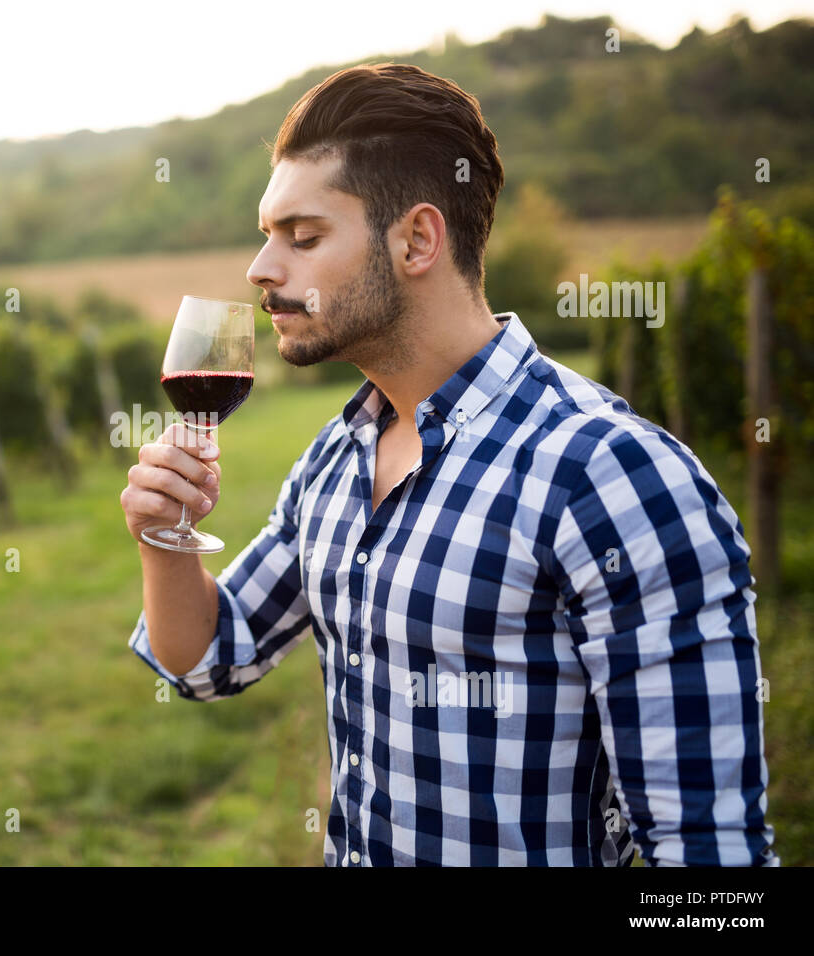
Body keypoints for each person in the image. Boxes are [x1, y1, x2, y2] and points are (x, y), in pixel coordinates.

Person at [118, 63, 778, 867]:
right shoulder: (336, 460)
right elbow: (208, 659)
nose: (261, 268)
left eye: (304, 236)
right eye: (267, 235)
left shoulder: (611, 478)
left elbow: (707, 857)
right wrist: (164, 535)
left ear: (418, 240)